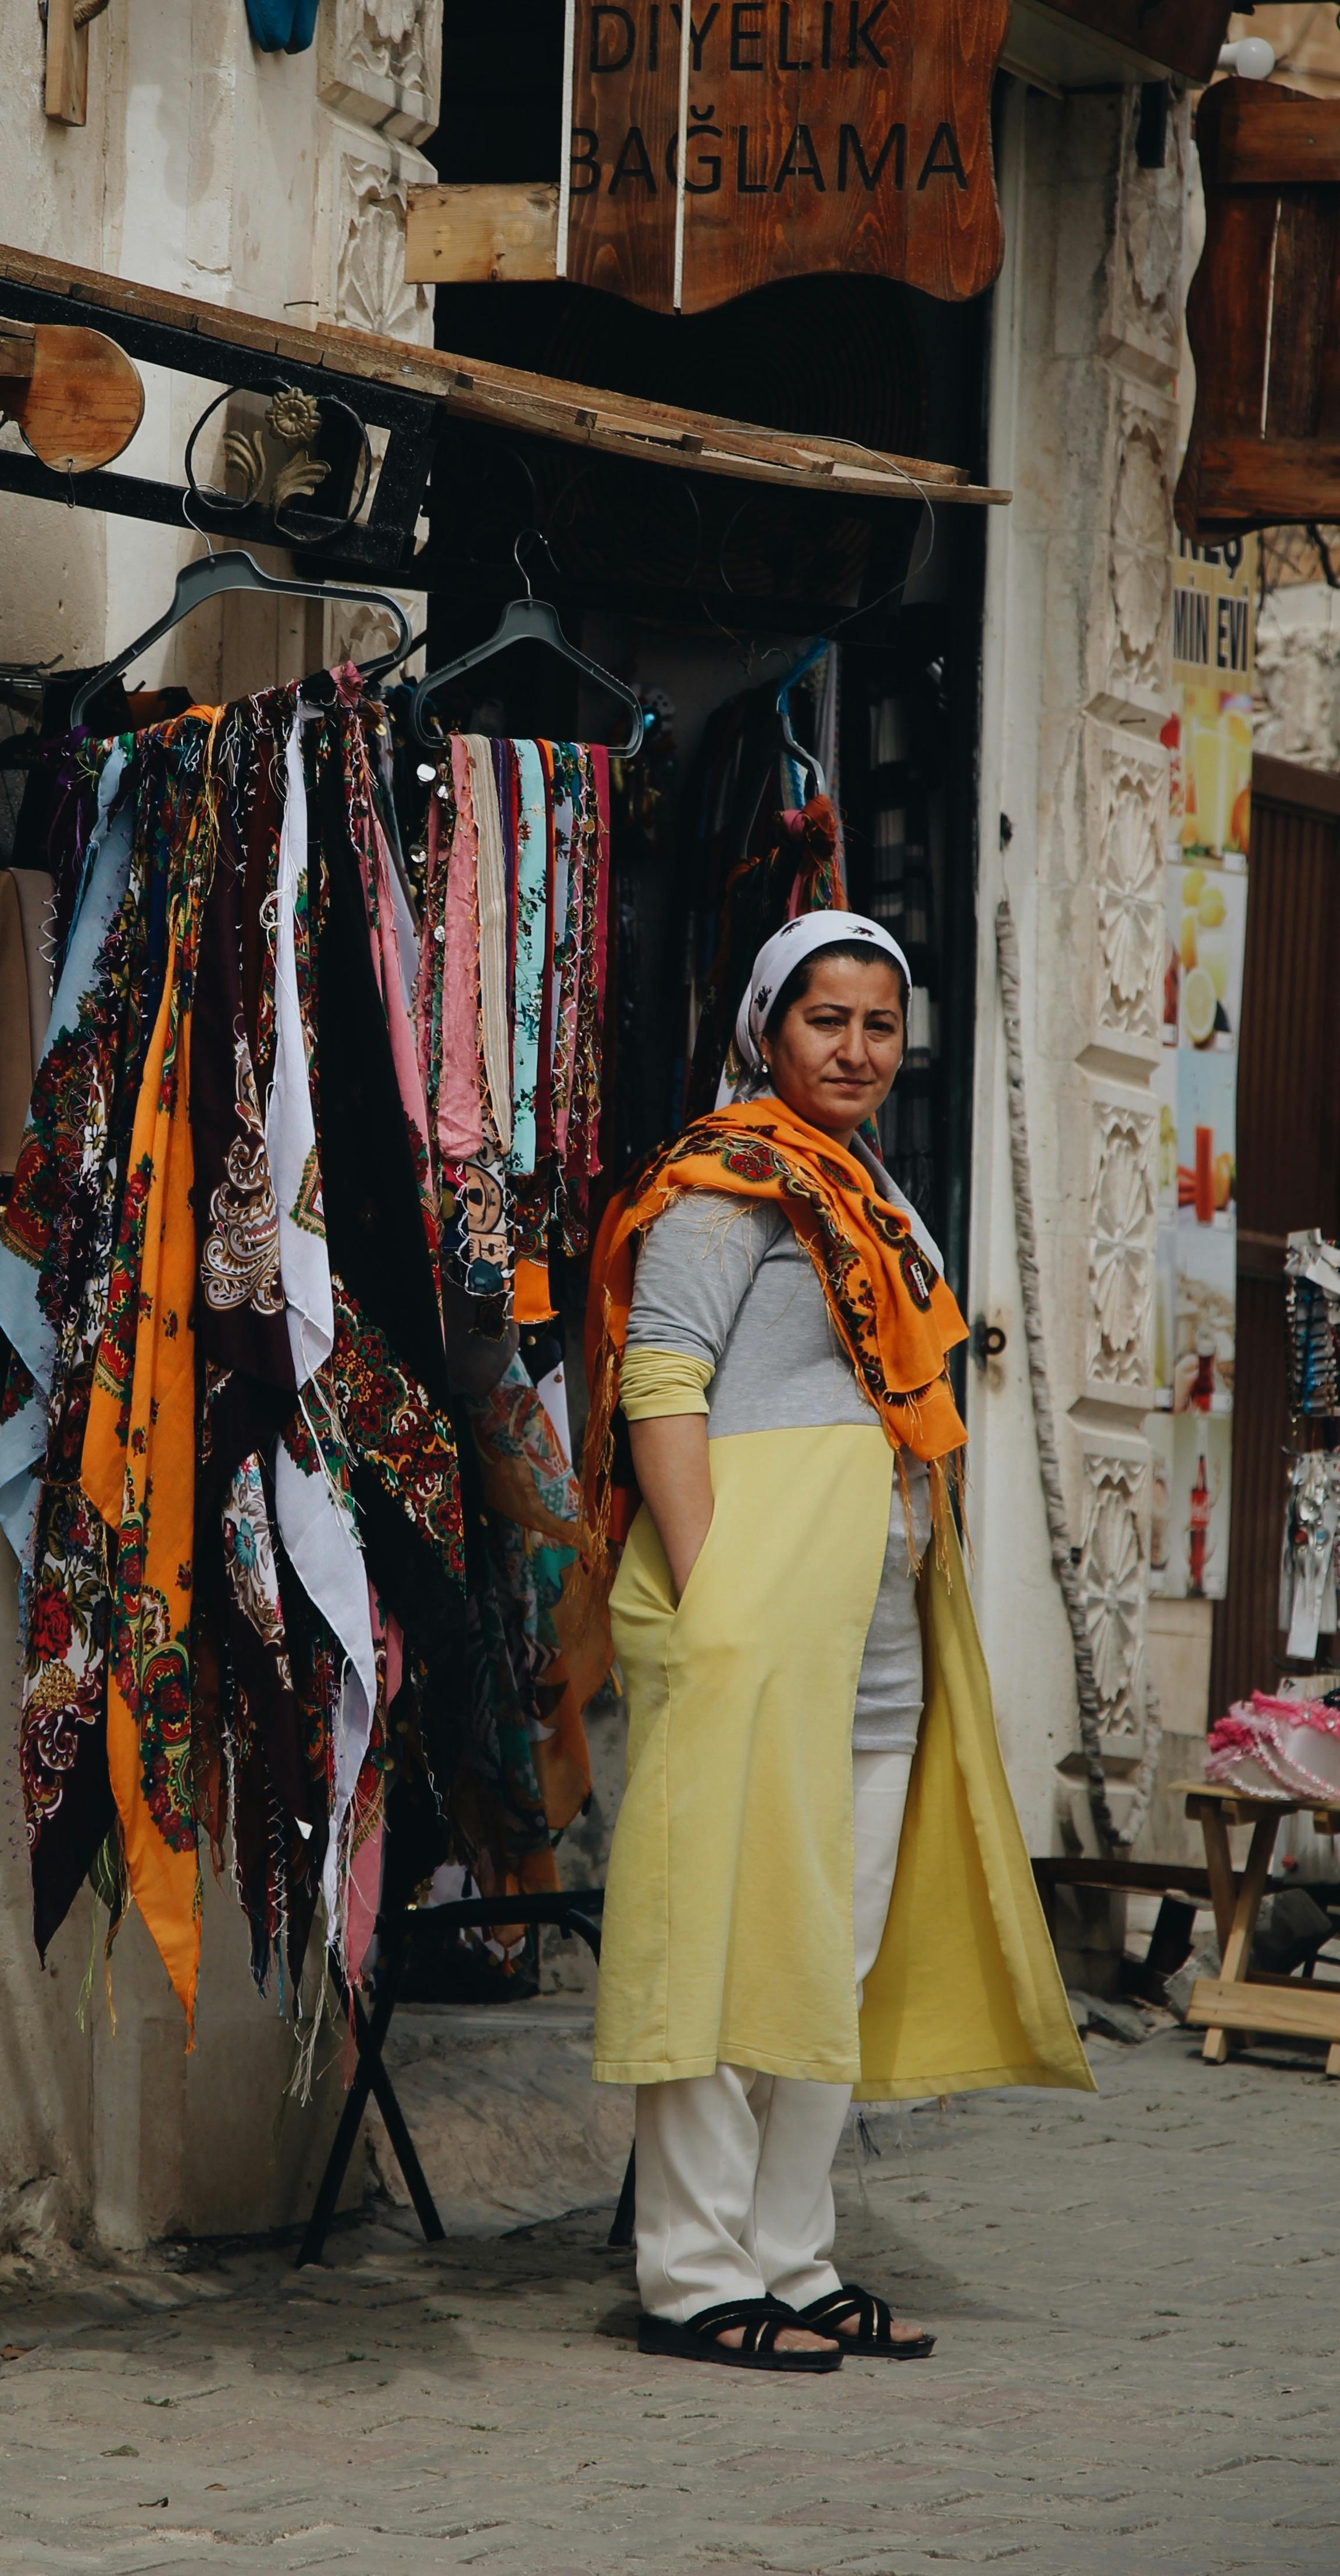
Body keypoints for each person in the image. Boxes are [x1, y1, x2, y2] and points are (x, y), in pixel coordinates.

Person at [579, 909, 1089, 2375]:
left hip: (870, 1636)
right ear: (766, 1029)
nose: (857, 1049)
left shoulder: (870, 1194)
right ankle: (689, 2273)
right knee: (723, 1940)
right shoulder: (723, 1188)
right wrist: (715, 1584)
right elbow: (659, 1386)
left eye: (880, 1024)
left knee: (830, 1954)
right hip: (752, 1617)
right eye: (827, 1021)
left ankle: (792, 2260)